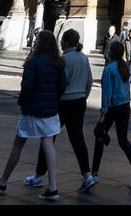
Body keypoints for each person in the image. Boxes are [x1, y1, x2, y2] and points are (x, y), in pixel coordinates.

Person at [0, 31, 67, 201]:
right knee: (48, 145)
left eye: (37, 40)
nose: (34, 42)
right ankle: (52, 187)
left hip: (32, 110)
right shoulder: (59, 62)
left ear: (41, 43)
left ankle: (3, 182)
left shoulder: (33, 62)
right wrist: (53, 99)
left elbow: (27, 87)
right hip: (51, 110)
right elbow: (62, 86)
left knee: (18, 145)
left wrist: (22, 102)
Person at [25, 29, 93, 191]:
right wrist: (83, 96)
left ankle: (38, 175)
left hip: (64, 103)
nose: (60, 43)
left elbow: (61, 83)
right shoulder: (84, 58)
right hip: (80, 102)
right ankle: (87, 175)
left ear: (66, 42)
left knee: (48, 138)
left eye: (62, 40)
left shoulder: (64, 60)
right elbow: (89, 81)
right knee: (78, 140)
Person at [83, 39, 131, 190]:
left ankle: (95, 173)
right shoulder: (124, 67)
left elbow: (107, 93)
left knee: (99, 136)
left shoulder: (109, 69)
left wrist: (103, 113)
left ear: (111, 52)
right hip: (125, 106)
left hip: (113, 108)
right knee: (123, 140)